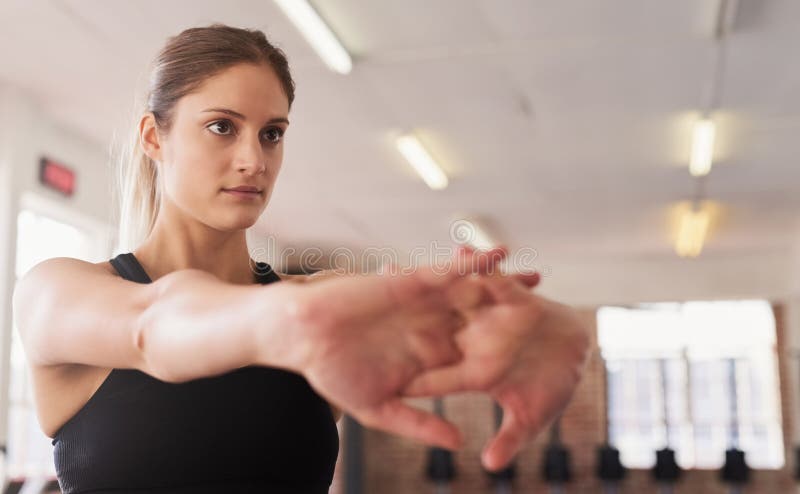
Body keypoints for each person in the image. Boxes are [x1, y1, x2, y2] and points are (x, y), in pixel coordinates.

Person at [11, 24, 590, 493]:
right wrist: (289, 320)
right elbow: (151, 327)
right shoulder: (58, 292)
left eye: (271, 134)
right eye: (221, 127)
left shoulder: (319, 300)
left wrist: (537, 328)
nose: (253, 160)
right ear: (154, 137)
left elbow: (464, 331)